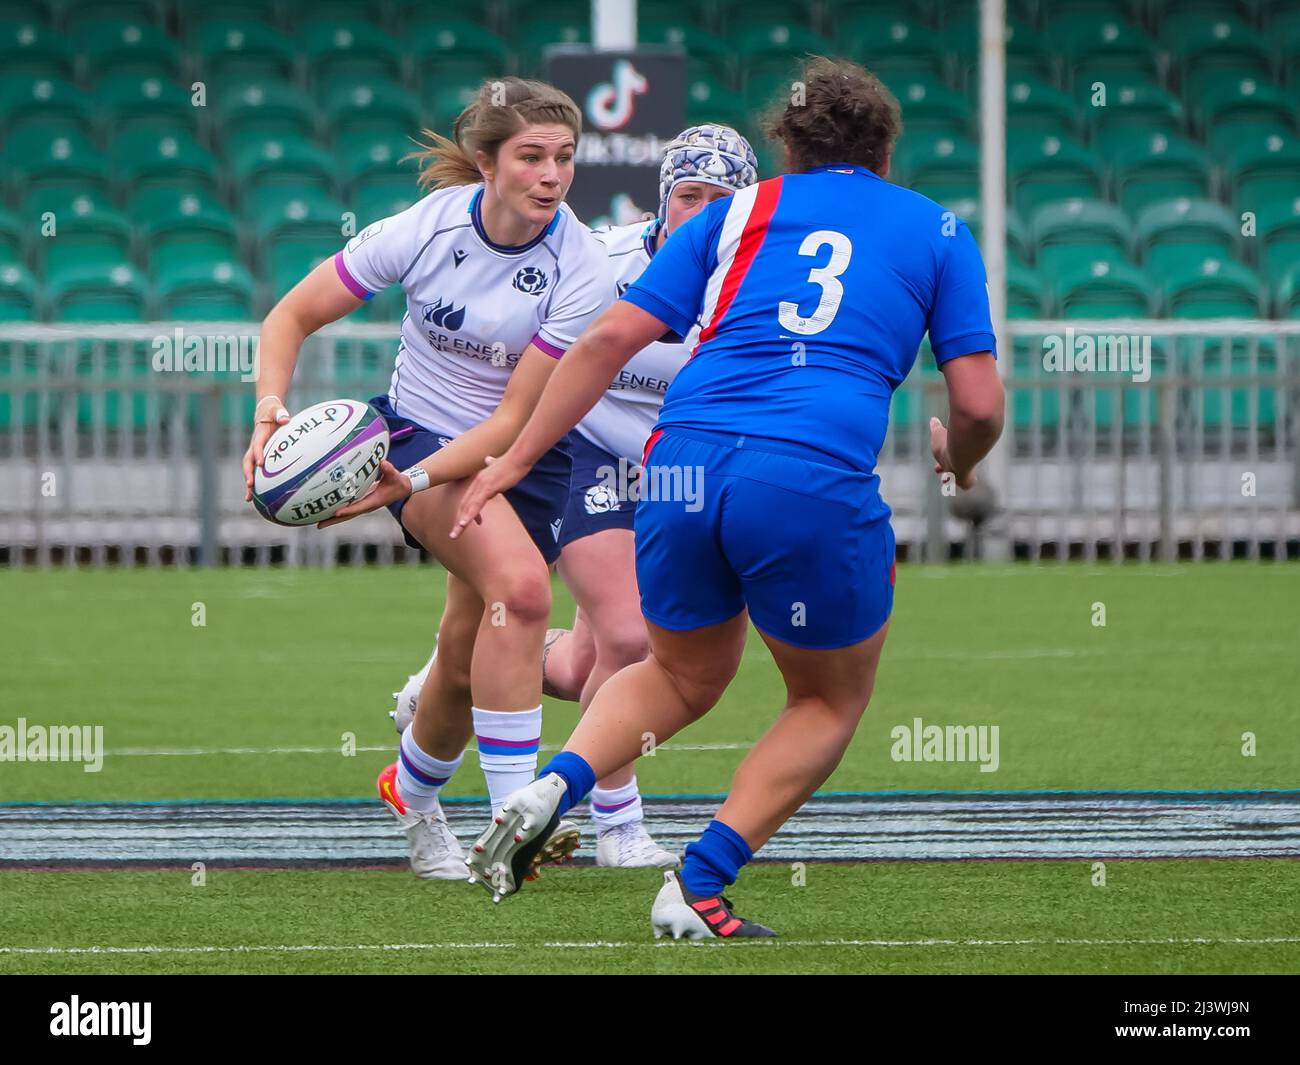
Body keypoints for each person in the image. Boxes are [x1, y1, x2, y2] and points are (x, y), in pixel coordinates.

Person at [448, 56, 1006, 937]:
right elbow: (976, 404)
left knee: (675, 670)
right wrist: (960, 461)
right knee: (825, 700)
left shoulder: (739, 211)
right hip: (809, 474)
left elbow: (601, 342)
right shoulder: (936, 229)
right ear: (886, 150)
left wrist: (518, 457)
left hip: (682, 462)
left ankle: (554, 784)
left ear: (786, 145)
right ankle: (697, 886)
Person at [240, 77, 612, 880]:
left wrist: (408, 484)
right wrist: (271, 410)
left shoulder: (580, 266)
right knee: (522, 589)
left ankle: (410, 792)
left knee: (460, 651)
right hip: (417, 435)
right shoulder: (427, 225)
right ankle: (520, 820)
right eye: (532, 157)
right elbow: (289, 316)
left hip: (525, 456)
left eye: (565, 159)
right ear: (486, 161)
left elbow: (514, 422)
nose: (553, 175)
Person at [390, 125, 760, 871]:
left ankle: (441, 678)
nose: (704, 212)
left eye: (724, 200)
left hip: (679, 470)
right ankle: (617, 823)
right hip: (584, 454)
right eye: (689, 195)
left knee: (582, 659)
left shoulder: (756, 281)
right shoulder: (605, 260)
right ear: (664, 198)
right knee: (627, 637)